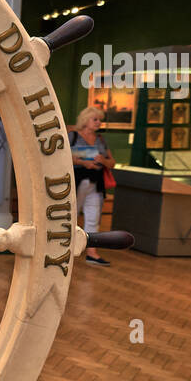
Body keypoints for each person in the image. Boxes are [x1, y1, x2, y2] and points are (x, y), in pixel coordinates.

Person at [69, 105, 115, 266]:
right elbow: (63, 157)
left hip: (96, 184)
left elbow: (112, 163)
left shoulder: (101, 140)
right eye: (95, 119)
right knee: (71, 216)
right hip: (76, 182)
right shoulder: (73, 136)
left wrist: (103, 161)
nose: (98, 123)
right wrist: (83, 162)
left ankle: (92, 252)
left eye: (100, 120)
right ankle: (66, 251)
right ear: (85, 120)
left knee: (93, 217)